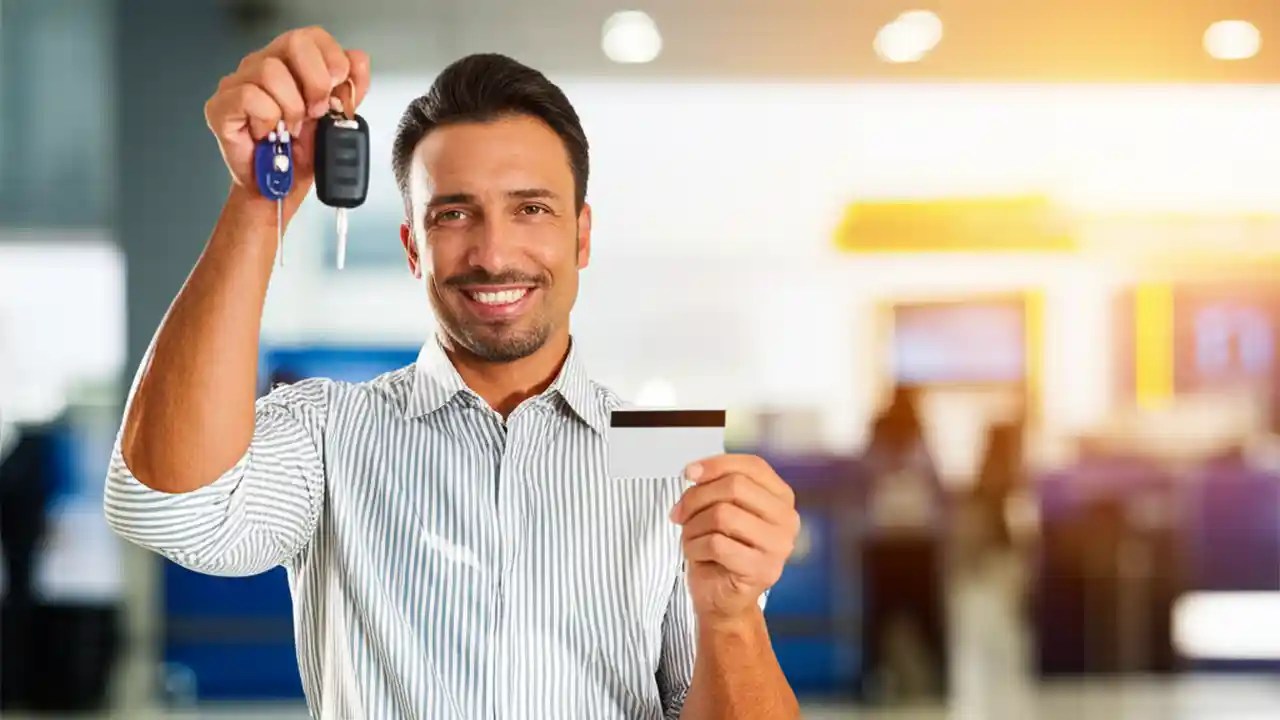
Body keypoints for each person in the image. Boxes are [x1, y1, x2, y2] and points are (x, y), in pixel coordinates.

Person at [102, 26, 801, 719]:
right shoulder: (329, 428)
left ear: (581, 235)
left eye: (531, 209)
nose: (494, 253)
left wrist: (733, 618)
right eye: (455, 213)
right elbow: (168, 508)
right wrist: (260, 199)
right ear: (413, 247)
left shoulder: (671, 449)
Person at [857, 386, 947, 702]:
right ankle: (937, 680)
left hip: (883, 541)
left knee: (879, 616)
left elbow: (860, 482)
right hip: (917, 540)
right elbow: (938, 488)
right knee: (926, 616)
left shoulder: (877, 442)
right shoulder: (919, 442)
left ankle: (873, 678)